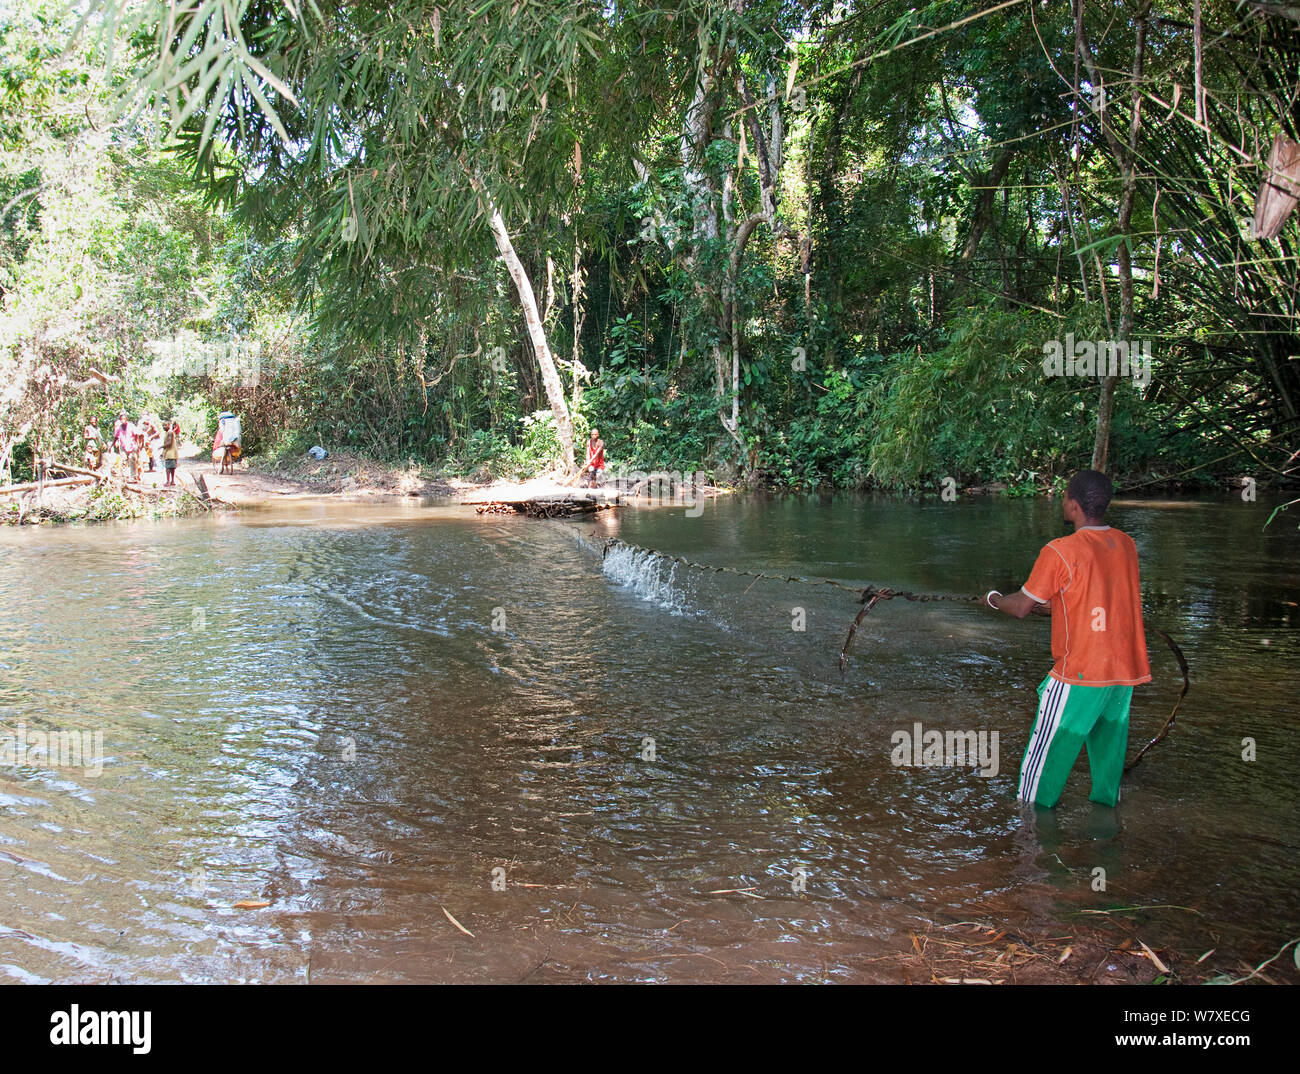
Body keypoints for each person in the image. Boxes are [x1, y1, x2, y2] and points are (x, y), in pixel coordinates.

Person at [985, 470, 1151, 809]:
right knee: (1109, 774)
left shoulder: (1061, 550)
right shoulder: (1126, 544)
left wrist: (992, 599)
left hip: (1079, 673)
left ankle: (1029, 844)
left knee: (1037, 782)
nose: (1062, 502)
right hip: (1123, 674)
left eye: (1063, 497)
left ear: (1074, 505)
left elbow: (1019, 608)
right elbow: (1096, 598)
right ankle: (1107, 835)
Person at [162, 420, 180, 487]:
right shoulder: (168, 432)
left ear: (169, 426)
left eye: (165, 425)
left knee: (168, 468)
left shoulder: (169, 432)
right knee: (172, 467)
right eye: (163, 425)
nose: (164, 427)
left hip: (170, 453)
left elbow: (169, 443)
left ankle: (168, 481)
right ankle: (172, 481)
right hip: (172, 453)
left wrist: (161, 447)